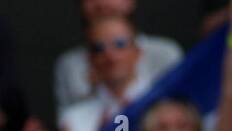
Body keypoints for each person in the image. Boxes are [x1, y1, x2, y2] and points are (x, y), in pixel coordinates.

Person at [54, 0, 183, 116]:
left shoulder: (166, 53)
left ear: (138, 53)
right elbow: (73, 124)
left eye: (120, 45)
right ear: (90, 59)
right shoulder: (69, 65)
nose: (110, 56)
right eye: (99, 49)